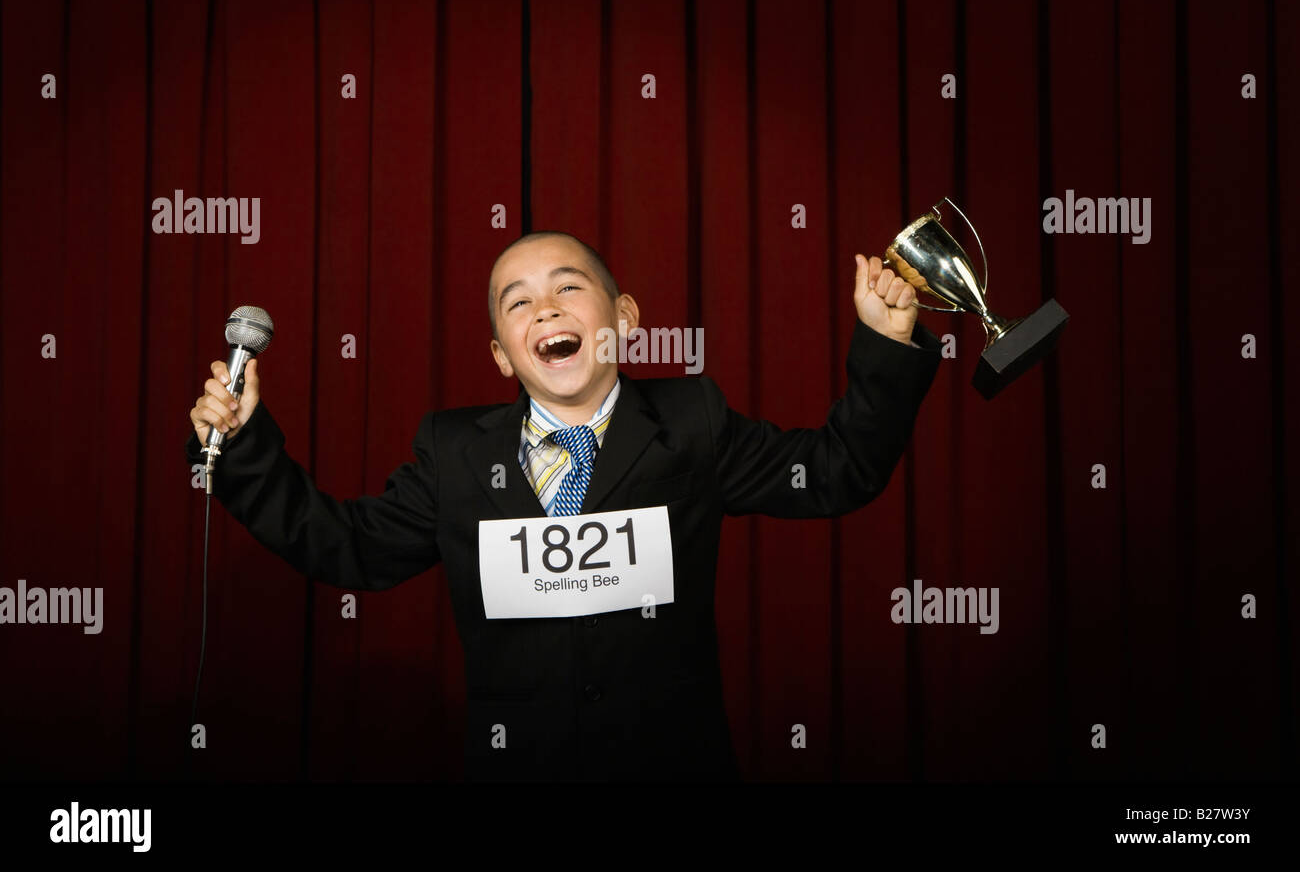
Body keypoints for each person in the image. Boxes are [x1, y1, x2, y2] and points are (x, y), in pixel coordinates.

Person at [186, 231, 943, 781]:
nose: (545, 308)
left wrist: (883, 347)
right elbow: (343, 545)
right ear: (501, 355)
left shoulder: (693, 422)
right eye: (518, 303)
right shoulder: (452, 453)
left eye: (569, 287)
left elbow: (838, 470)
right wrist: (245, 446)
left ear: (625, 317)